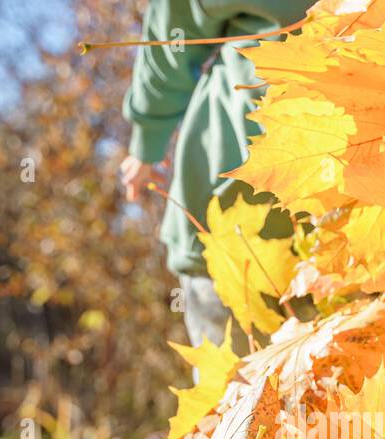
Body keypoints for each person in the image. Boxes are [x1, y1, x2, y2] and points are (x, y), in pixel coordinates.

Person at [119, 0, 312, 352]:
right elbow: (176, 24)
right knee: (244, 395)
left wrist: (148, 137)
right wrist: (148, 135)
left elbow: (173, 28)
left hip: (379, 230)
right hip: (232, 218)